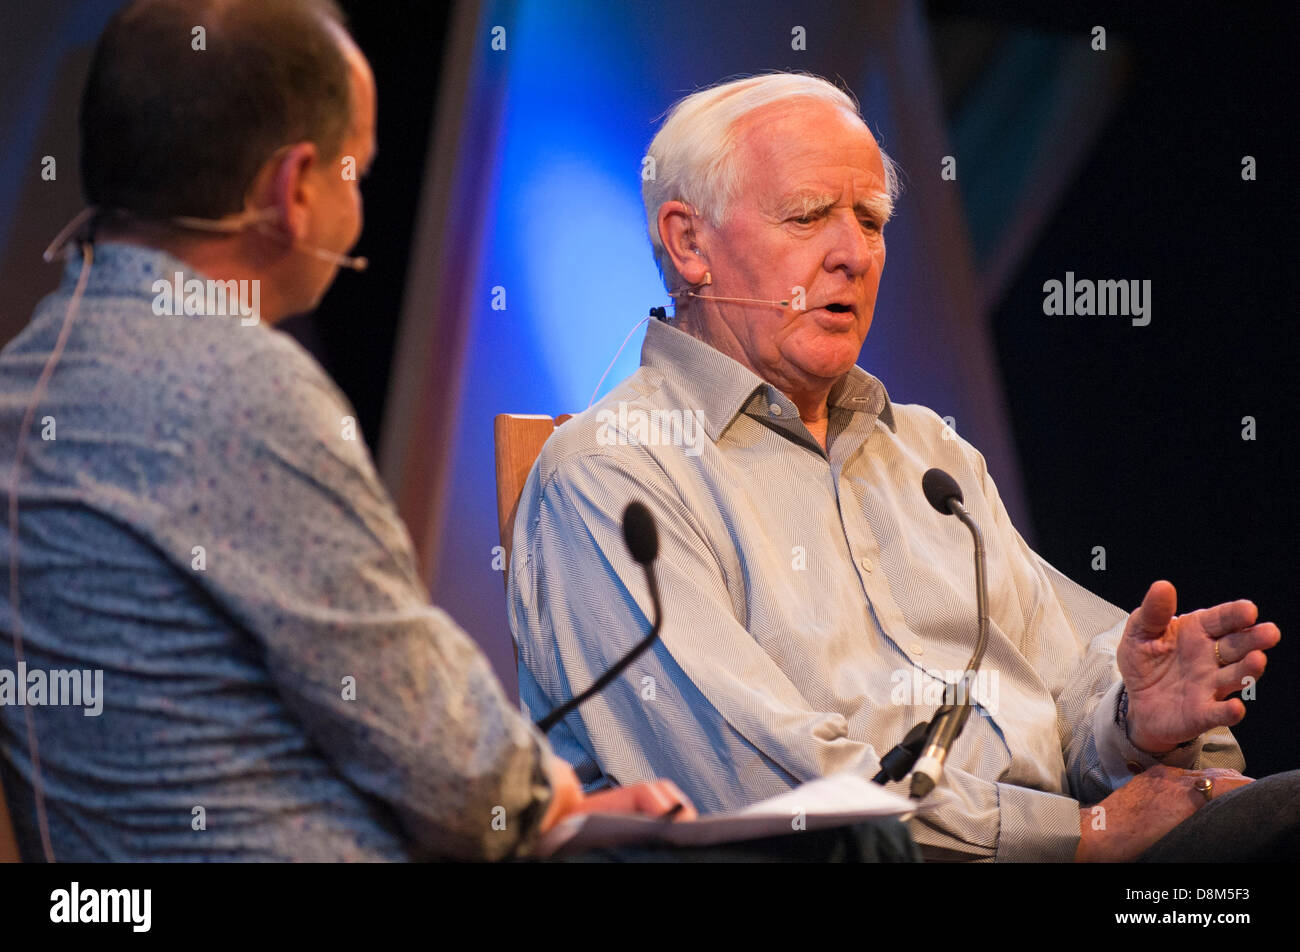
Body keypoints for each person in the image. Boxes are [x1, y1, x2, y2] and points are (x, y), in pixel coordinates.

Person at [507, 72, 1289, 862]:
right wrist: (1081, 837)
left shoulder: (930, 453)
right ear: (689, 243)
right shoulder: (610, 477)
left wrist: (1132, 723)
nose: (854, 254)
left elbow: (1068, 684)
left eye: (871, 219)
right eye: (810, 215)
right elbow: (773, 792)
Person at [0, 0, 694, 863]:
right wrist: (550, 797)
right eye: (353, 173)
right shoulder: (245, 389)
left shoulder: (25, 373)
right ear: (293, 189)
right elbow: (441, 753)